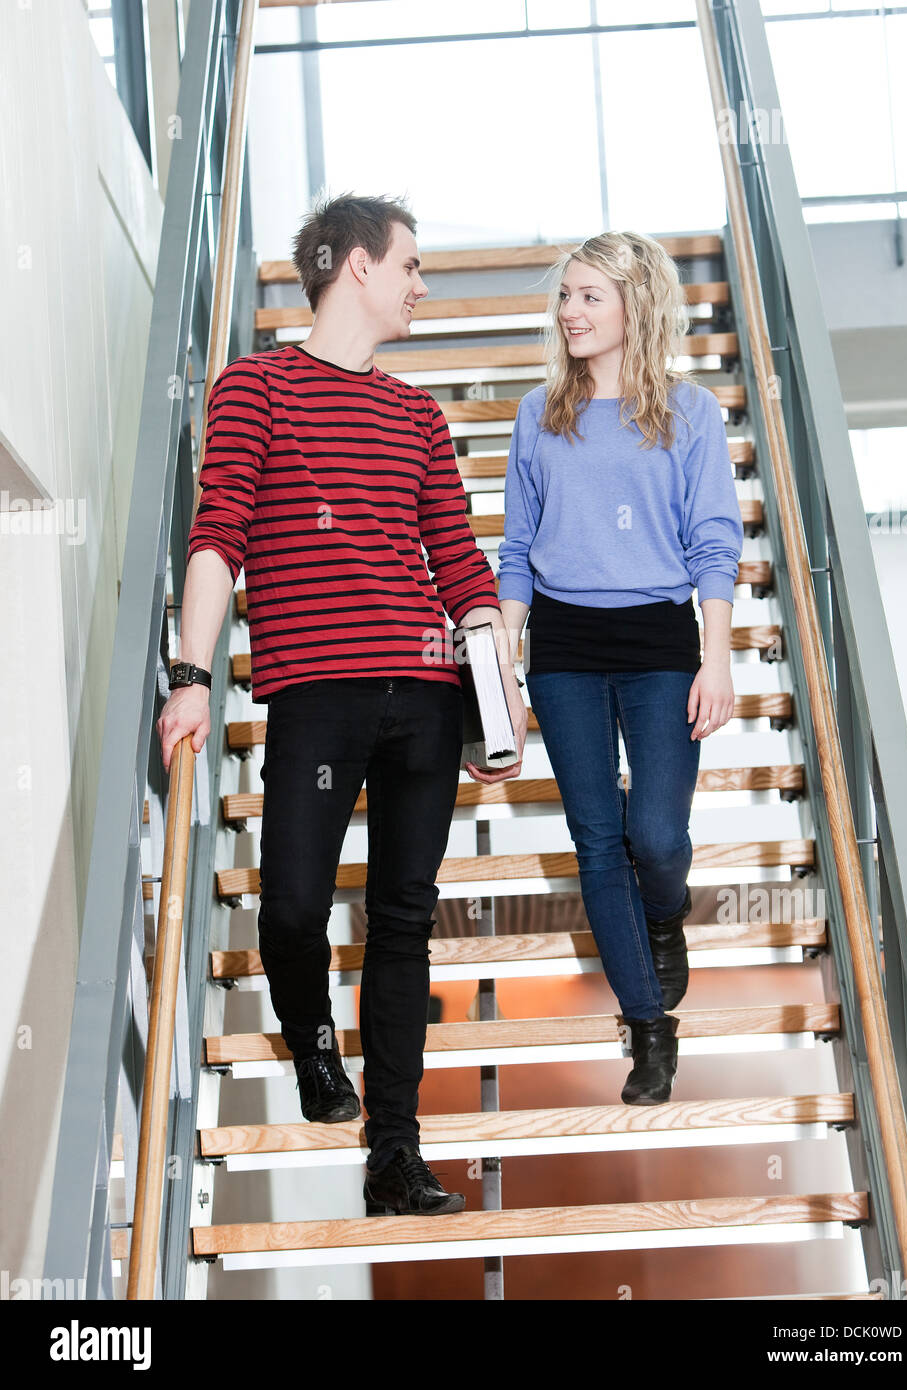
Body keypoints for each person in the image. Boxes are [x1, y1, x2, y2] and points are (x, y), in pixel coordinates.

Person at [156, 192, 527, 1216]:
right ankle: (314, 1041)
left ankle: (392, 1154)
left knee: (403, 922)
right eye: (410, 264)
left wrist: (495, 693)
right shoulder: (255, 389)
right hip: (315, 694)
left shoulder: (416, 413)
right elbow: (219, 536)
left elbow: (456, 560)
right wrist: (191, 680)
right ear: (355, 266)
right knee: (290, 910)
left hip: (424, 695)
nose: (421, 285)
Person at [482, 230, 744, 1105]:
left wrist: (718, 659)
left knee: (657, 838)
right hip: (565, 644)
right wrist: (508, 666)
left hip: (662, 640)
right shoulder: (537, 414)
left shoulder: (688, 410)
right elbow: (516, 551)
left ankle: (663, 915)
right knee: (597, 839)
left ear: (637, 304)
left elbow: (712, 541)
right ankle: (648, 1029)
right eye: (566, 297)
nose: (570, 312)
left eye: (590, 296)